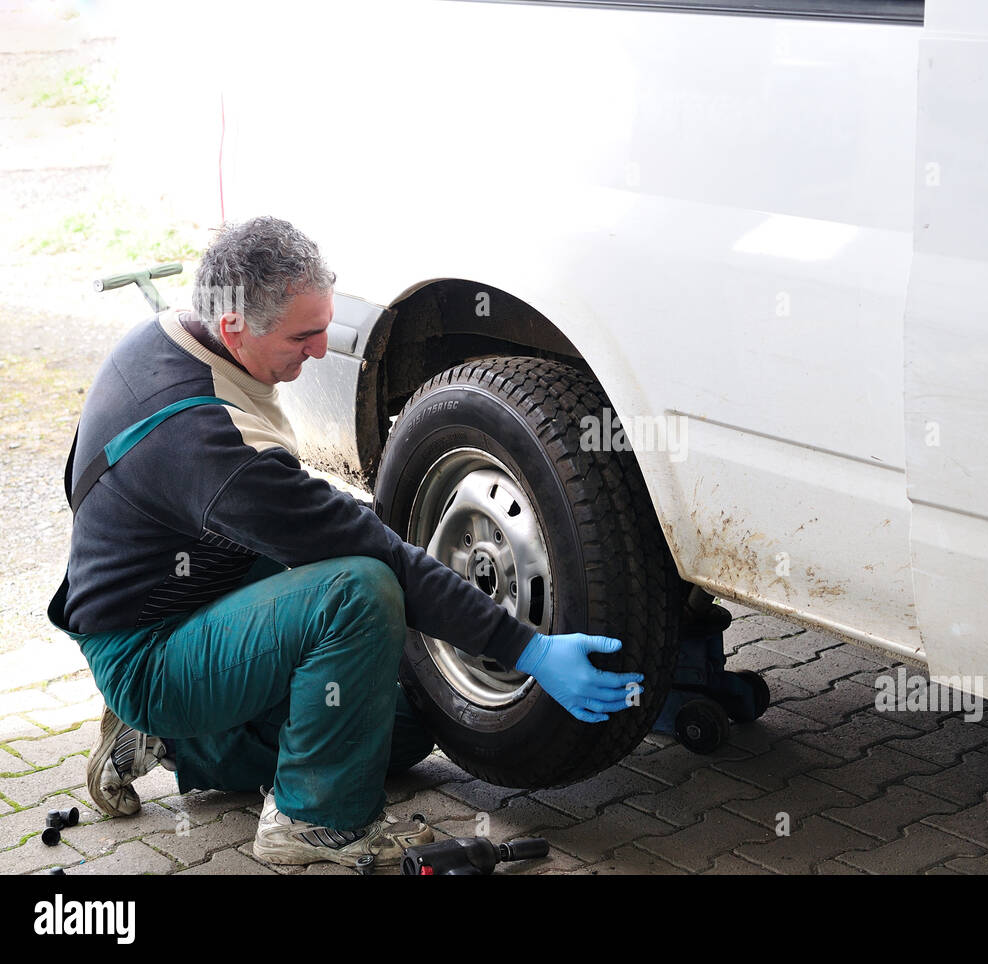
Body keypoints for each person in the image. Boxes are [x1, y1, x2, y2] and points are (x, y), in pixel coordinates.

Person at [47, 216, 643, 867]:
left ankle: (174, 741)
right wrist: (524, 648)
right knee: (359, 593)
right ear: (233, 327)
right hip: (151, 652)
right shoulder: (206, 442)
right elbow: (375, 552)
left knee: (407, 724)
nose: (323, 348)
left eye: (325, 323)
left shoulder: (163, 338)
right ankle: (313, 821)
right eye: (303, 335)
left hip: (185, 591)